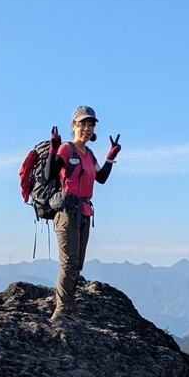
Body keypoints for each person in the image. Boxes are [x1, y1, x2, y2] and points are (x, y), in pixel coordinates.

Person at [48, 105, 121, 323]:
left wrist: (110, 158)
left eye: (90, 125)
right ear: (73, 126)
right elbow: (50, 174)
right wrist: (53, 150)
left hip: (85, 211)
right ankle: (61, 310)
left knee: (77, 263)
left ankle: (69, 308)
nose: (87, 129)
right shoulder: (66, 149)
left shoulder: (88, 154)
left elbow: (101, 178)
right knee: (69, 262)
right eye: (83, 124)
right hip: (67, 212)